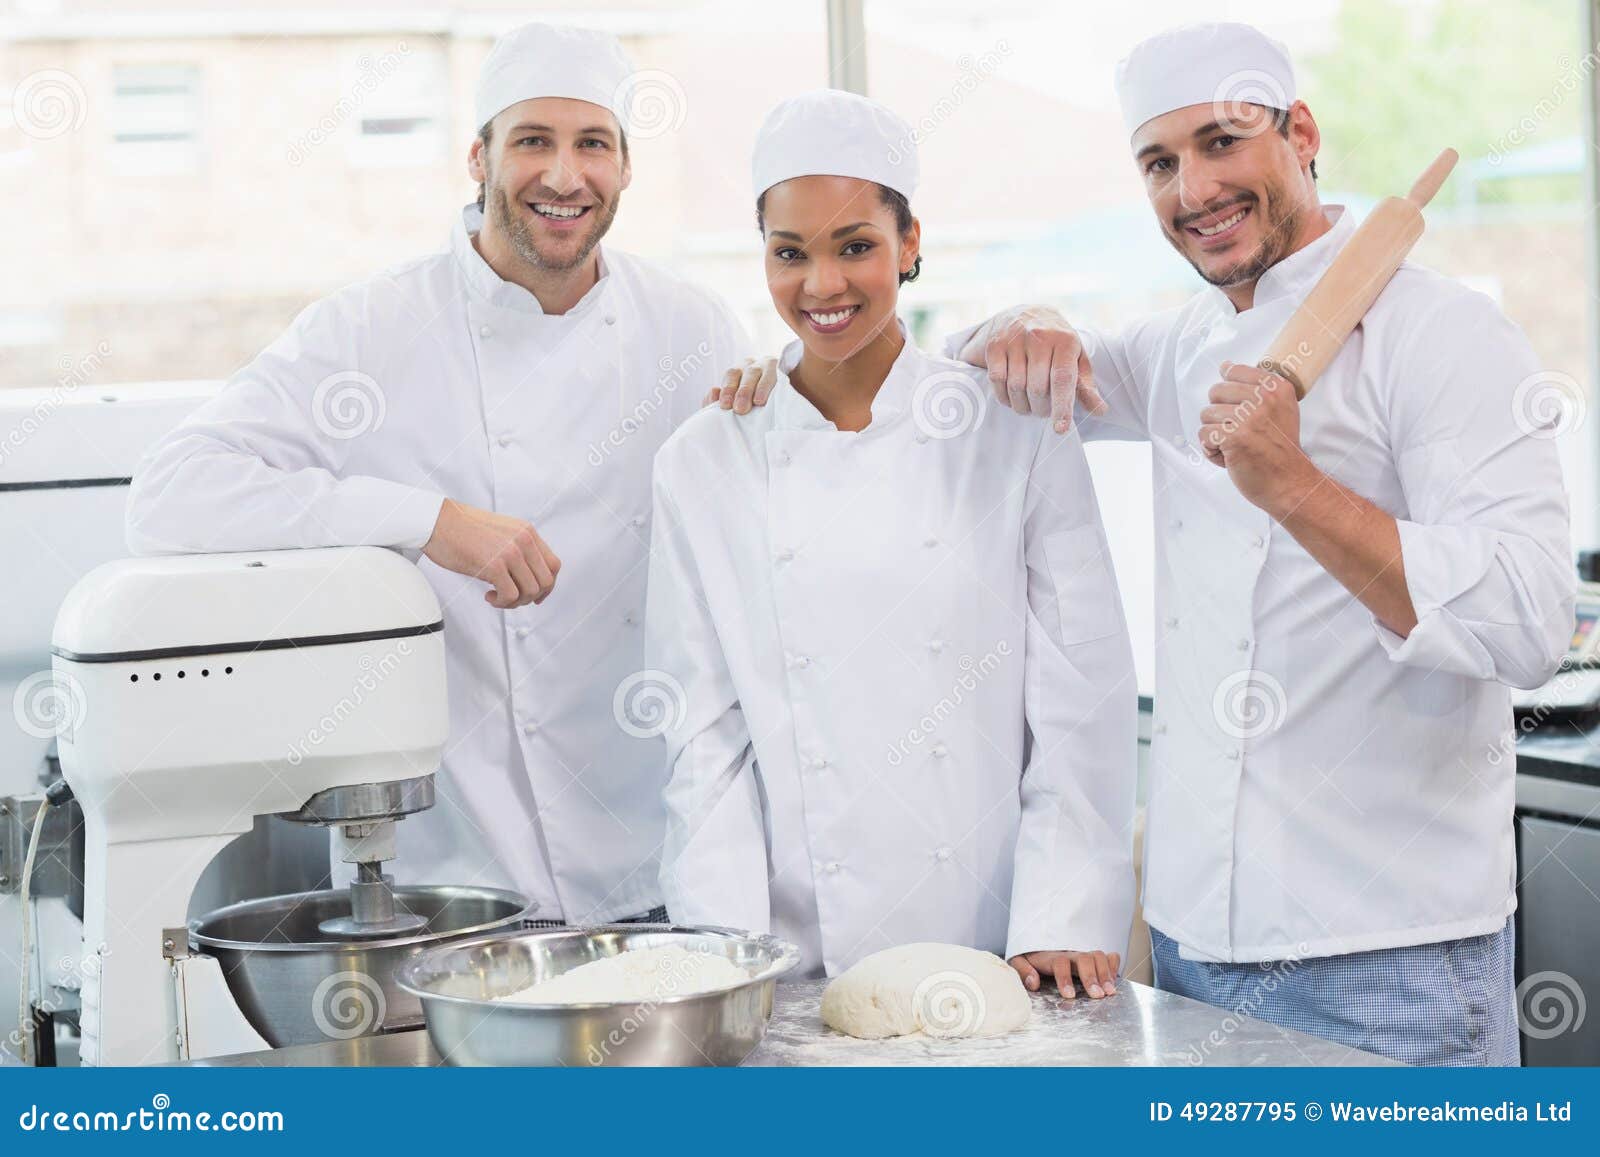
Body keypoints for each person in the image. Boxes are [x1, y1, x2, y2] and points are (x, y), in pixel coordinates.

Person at [712, 25, 1576, 1066]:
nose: (1193, 187)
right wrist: (788, 374)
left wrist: (1295, 488)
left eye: (1221, 142)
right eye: (1160, 163)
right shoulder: (1177, 349)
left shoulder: (1443, 335)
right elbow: (959, 370)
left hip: (1387, 959)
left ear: (1301, 133)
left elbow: (1528, 619)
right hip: (1193, 949)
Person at [125, 23, 751, 927]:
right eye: (533, 140)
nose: (565, 176)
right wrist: (428, 520)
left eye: (594, 145)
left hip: (661, 874)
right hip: (454, 891)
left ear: (625, 167)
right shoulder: (370, 331)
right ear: (478, 158)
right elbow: (171, 493)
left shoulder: (692, 330)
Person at [646, 90, 1138, 997]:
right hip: (791, 958)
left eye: (855, 246)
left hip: (998, 952)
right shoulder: (705, 458)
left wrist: (1062, 914)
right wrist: (724, 957)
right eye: (789, 251)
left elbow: (1081, 690)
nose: (822, 284)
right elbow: (702, 738)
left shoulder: (1012, 429)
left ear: (911, 245)